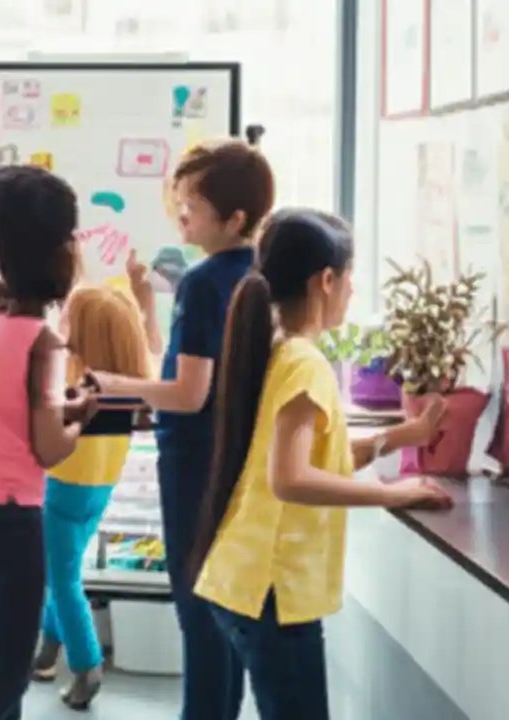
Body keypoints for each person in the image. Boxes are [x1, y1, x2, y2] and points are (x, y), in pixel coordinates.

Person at [190, 209, 452, 720]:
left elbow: (316, 458)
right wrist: (393, 494)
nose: (352, 291)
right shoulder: (305, 362)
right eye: (350, 278)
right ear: (326, 280)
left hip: (249, 582)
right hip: (269, 589)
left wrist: (402, 437)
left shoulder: (284, 352)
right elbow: (290, 478)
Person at [89, 139, 275, 720]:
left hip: (196, 464)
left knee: (196, 614)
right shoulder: (260, 274)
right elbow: (195, 373)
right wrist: (146, 307)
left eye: (191, 203)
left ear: (235, 218)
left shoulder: (201, 283)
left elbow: (189, 394)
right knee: (223, 613)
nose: (181, 213)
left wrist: (114, 384)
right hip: (238, 463)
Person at [0, 164, 96, 720]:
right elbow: (51, 448)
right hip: (11, 519)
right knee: (3, 684)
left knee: (1, 675)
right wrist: (82, 417)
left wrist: (52, 409)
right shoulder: (45, 341)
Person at [30, 285, 150, 709]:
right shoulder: (129, 389)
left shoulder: (72, 388)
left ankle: (86, 666)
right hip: (99, 490)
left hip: (62, 487)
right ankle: (46, 651)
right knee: (60, 569)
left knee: (62, 578)